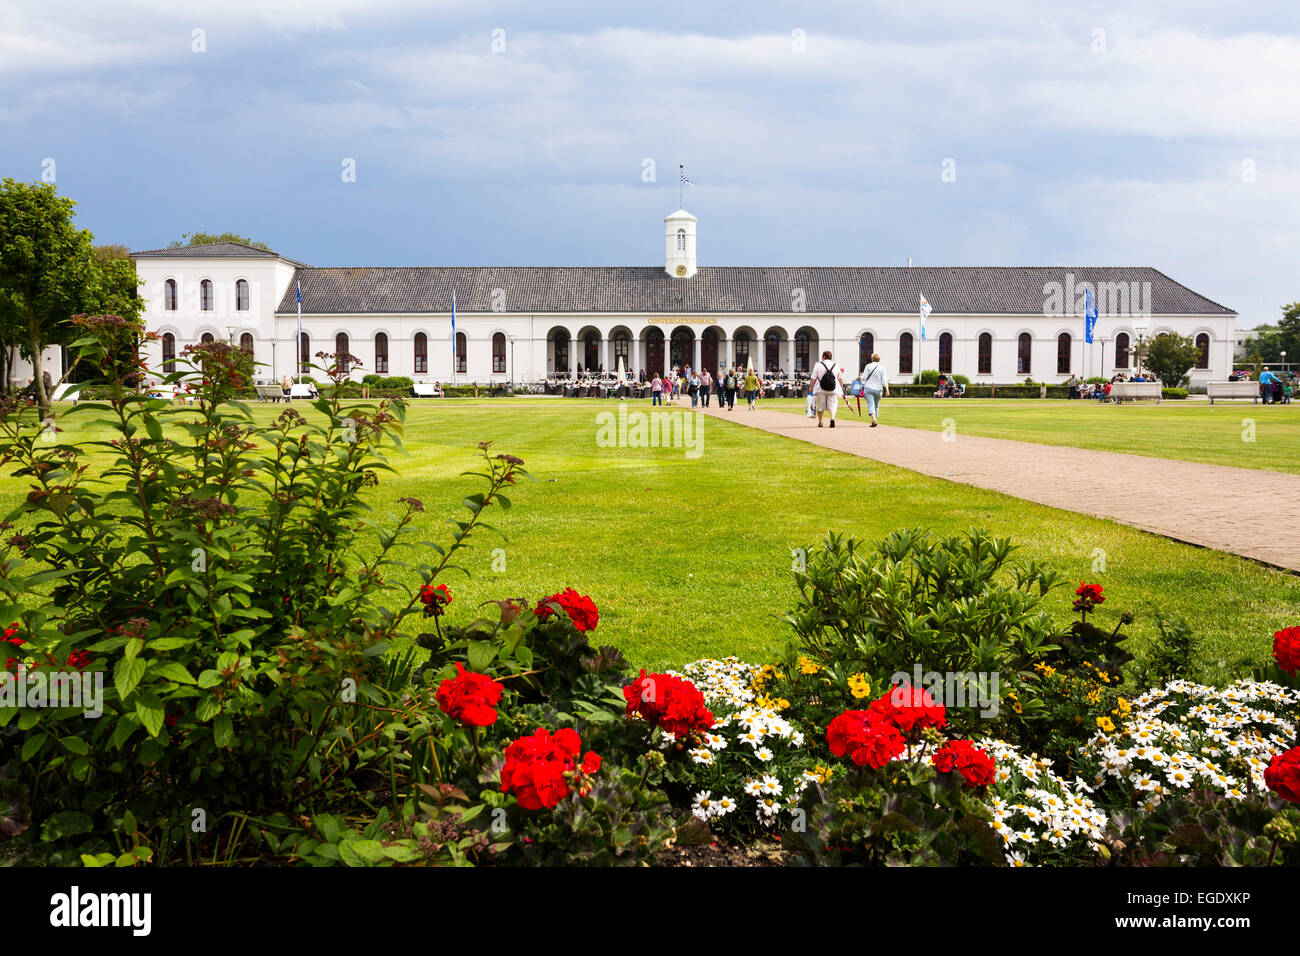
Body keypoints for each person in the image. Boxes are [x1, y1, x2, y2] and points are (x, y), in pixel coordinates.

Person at [811, 350, 844, 428]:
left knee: (820, 405)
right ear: (831, 357)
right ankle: (832, 418)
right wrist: (841, 388)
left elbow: (813, 378)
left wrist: (810, 388)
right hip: (833, 388)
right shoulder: (836, 365)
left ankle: (820, 422)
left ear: (823, 357)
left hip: (820, 388)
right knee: (833, 404)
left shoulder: (818, 365)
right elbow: (840, 378)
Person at [859, 352, 889, 427]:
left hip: (868, 388)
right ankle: (875, 419)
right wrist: (887, 389)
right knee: (876, 405)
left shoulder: (868, 366)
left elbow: (864, 377)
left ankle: (874, 420)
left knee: (870, 404)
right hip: (879, 389)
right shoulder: (882, 368)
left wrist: (859, 378)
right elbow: (884, 380)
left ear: (872, 359)